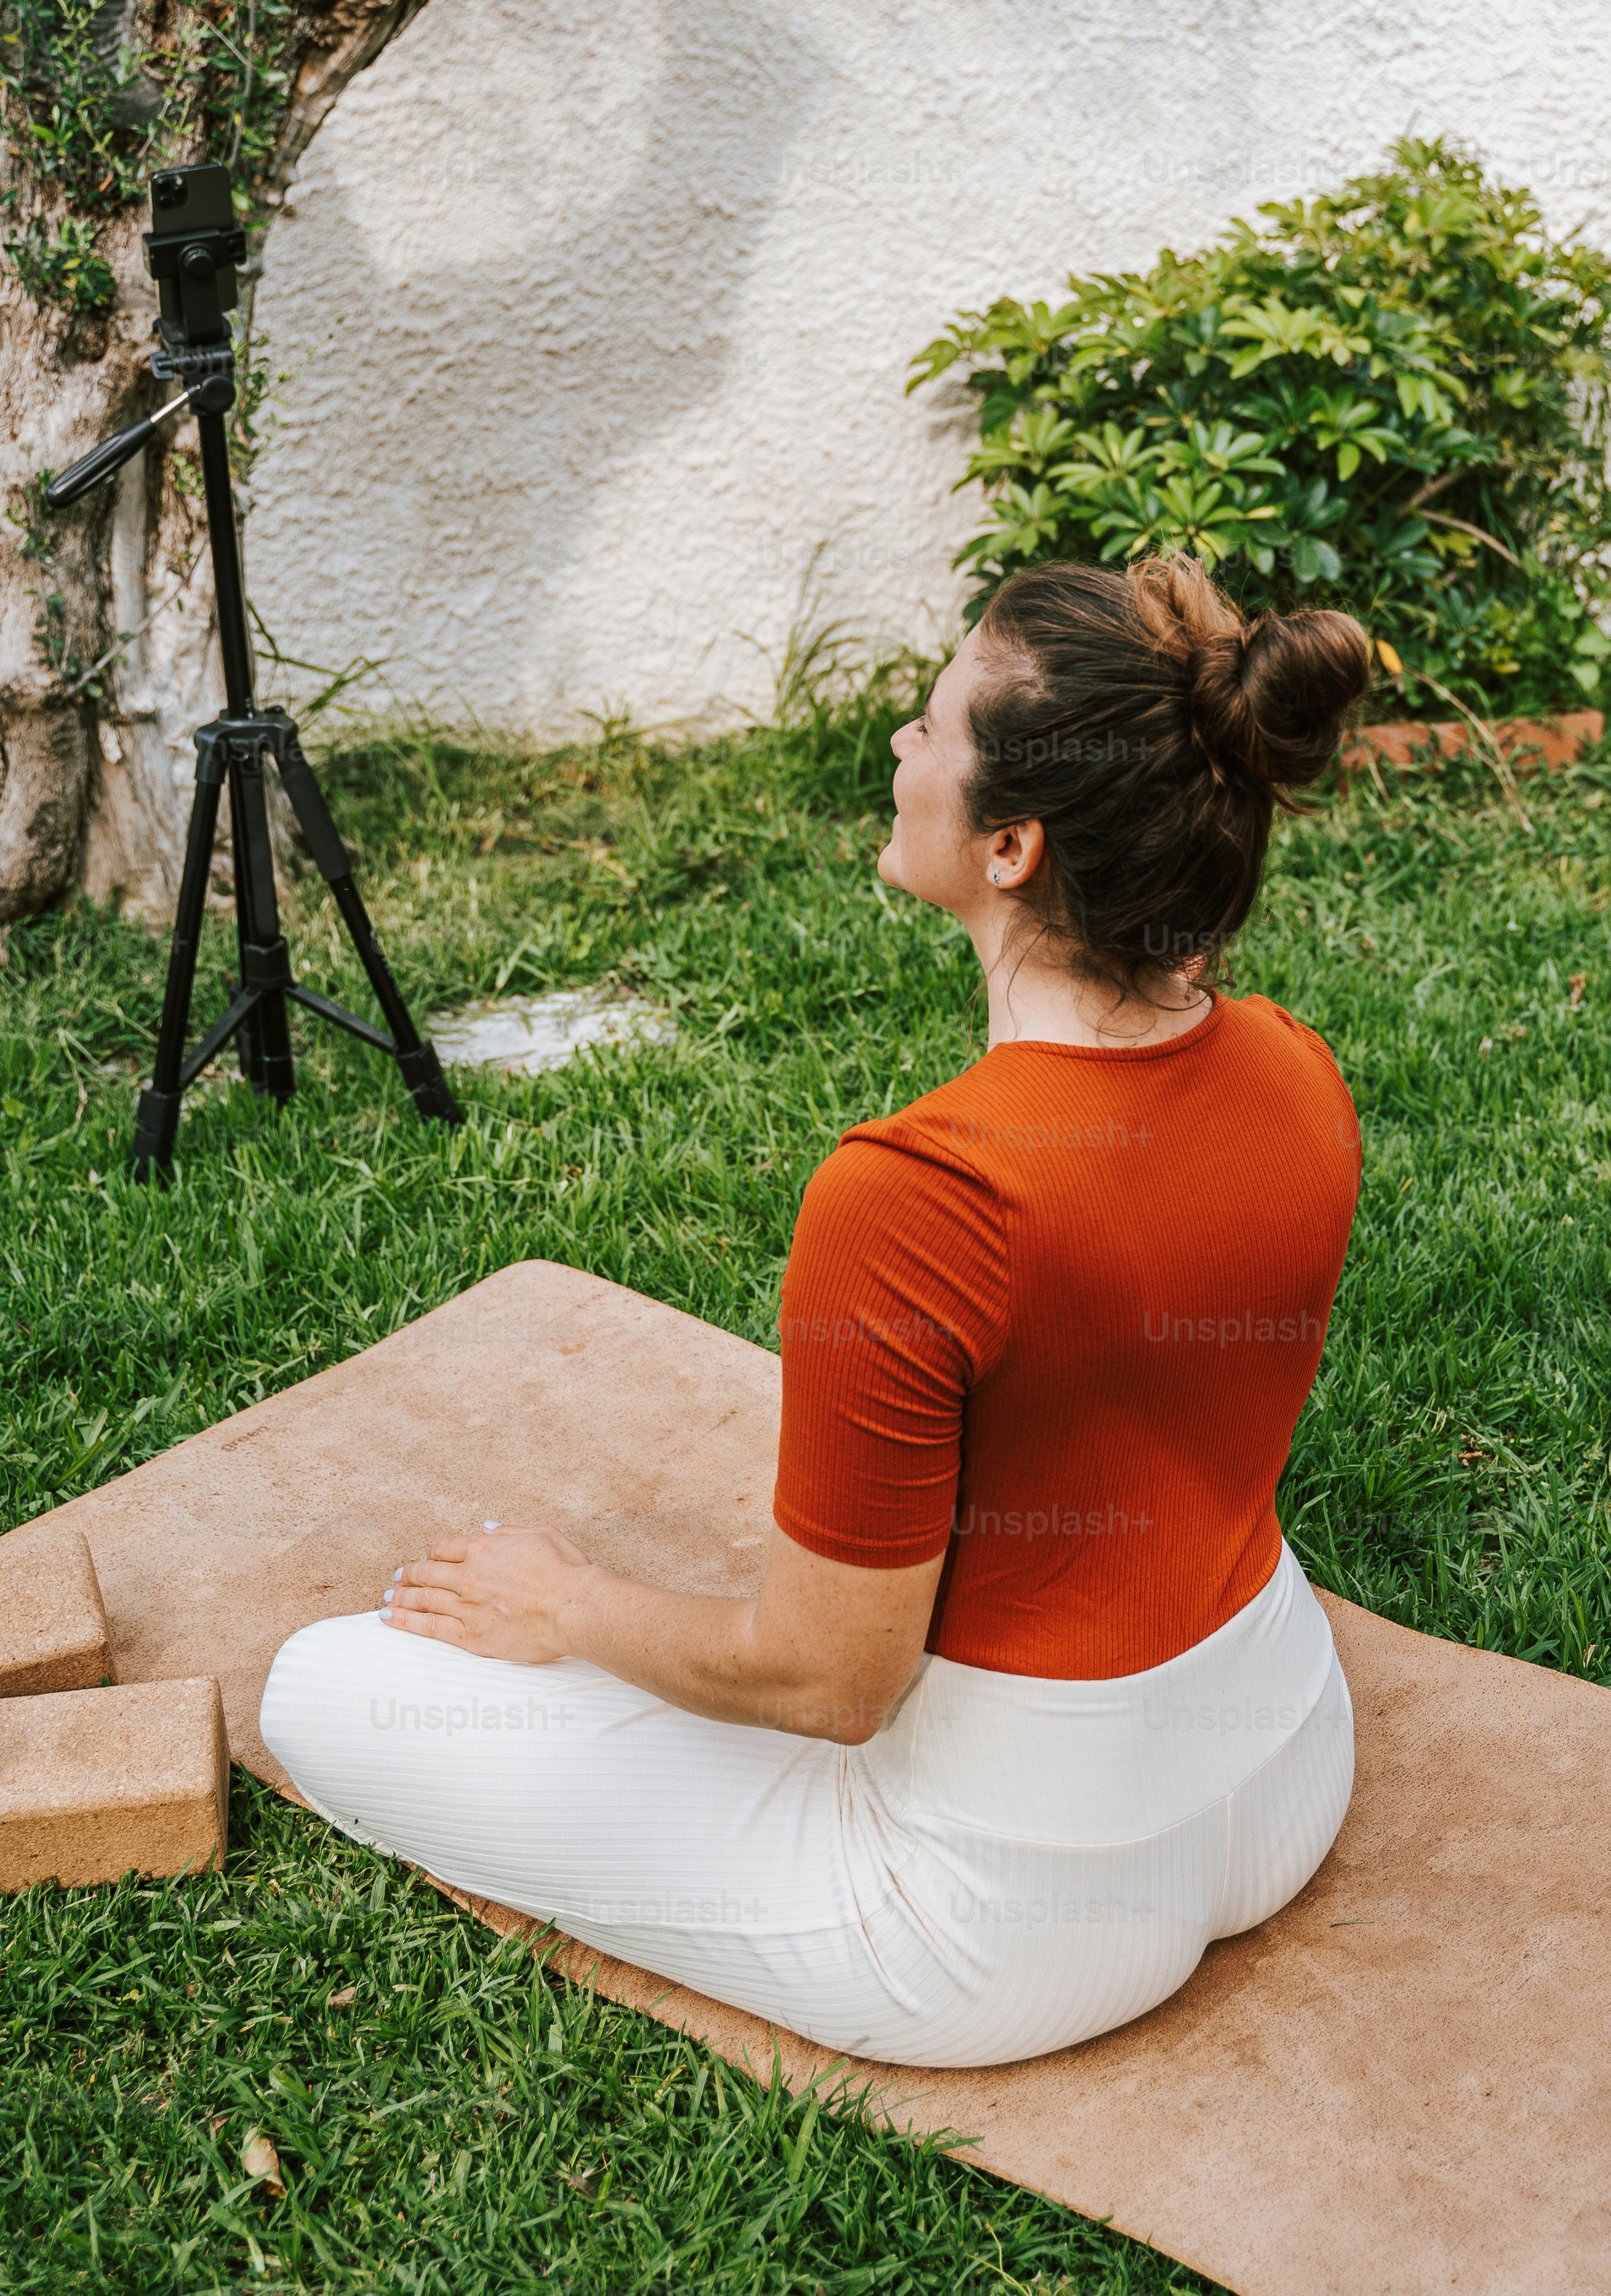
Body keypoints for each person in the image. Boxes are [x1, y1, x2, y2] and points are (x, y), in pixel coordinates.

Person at [261, 552, 1370, 2070]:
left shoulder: (920, 1196)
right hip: (1288, 1765)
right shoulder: (1295, 1069)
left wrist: (563, 1605)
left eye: (935, 725)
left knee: (323, 1691)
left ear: (1014, 848)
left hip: (1013, 1921)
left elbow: (833, 1685)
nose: (903, 746)